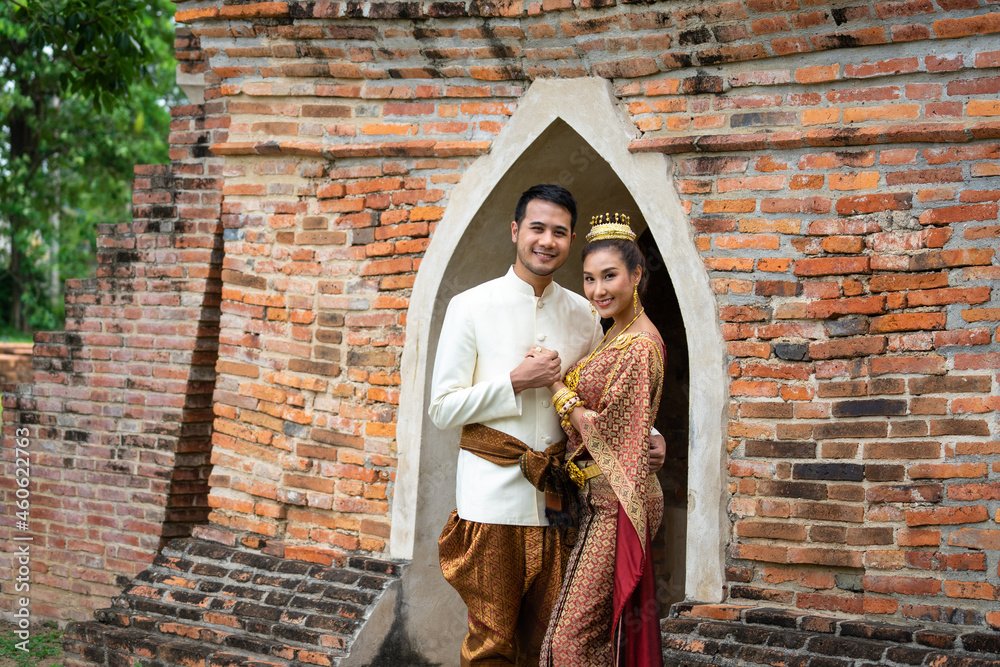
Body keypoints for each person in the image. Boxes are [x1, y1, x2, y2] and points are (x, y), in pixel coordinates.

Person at [428, 185, 665, 666]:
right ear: (516, 231)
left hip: (562, 502)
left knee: (554, 641)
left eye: (559, 231)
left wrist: (652, 438)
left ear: (571, 237)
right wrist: (515, 381)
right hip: (491, 500)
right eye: (537, 228)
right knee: (491, 642)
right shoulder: (470, 306)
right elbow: (442, 409)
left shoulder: (585, 310)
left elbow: (610, 391)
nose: (547, 240)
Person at [540, 212, 665, 666]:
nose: (598, 290)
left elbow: (604, 428)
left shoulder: (637, 345)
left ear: (636, 275)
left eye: (610, 276)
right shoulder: (617, 333)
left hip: (619, 502)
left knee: (568, 642)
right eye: (590, 279)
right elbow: (632, 418)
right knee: (593, 638)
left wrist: (555, 385)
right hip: (603, 496)